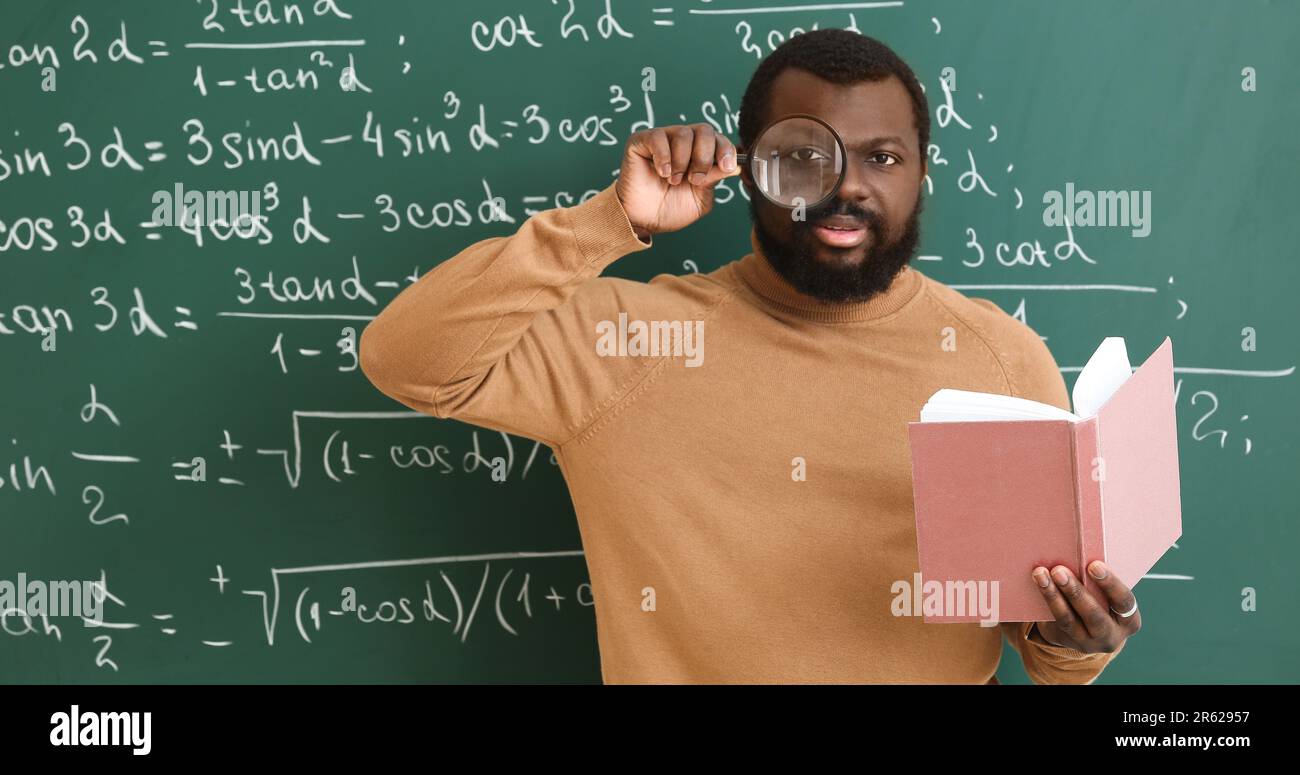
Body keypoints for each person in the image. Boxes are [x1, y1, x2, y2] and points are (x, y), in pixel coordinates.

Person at [359, 29, 1139, 683]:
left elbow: (1043, 643)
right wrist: (610, 220)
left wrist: (1075, 639)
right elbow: (405, 357)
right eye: (805, 156)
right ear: (749, 170)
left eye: (884, 158)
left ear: (923, 170)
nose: (847, 188)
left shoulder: (1002, 361)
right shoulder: (622, 344)